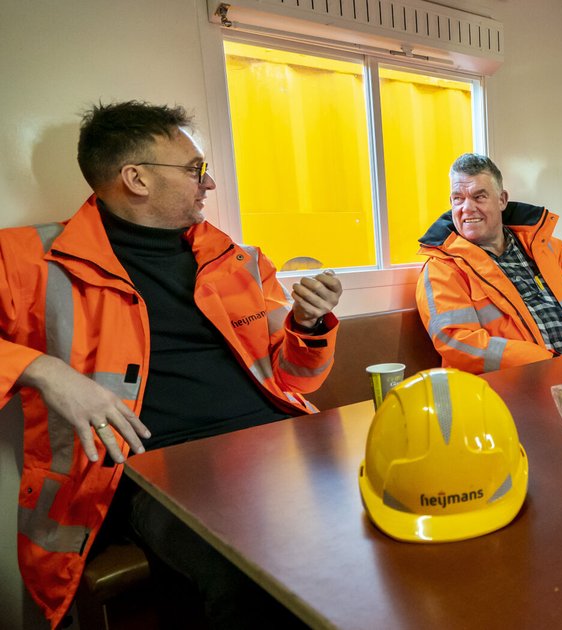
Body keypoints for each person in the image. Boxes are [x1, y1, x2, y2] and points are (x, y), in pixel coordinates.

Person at [1, 101, 342, 628]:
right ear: (135, 178)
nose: (207, 184)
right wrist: (45, 371)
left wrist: (309, 327)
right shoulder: (27, 260)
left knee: (370, 529)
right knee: (254, 581)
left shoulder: (240, 260)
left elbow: (295, 380)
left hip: (278, 447)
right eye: (194, 169)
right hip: (155, 470)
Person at [416, 153, 562, 373]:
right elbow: (458, 341)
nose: (467, 208)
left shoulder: (549, 247)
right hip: (507, 390)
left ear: (502, 200)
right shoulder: (441, 269)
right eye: (458, 198)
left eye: (479, 197)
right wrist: (550, 366)